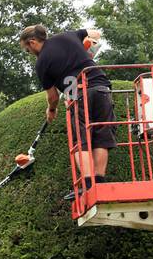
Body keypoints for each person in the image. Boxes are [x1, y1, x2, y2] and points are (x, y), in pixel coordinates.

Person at [20, 24, 113, 200]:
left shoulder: (42, 63)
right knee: (102, 136)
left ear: (32, 42)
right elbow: (96, 33)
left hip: (78, 94)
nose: (29, 53)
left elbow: (53, 97)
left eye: (27, 50)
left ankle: (88, 186)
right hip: (102, 87)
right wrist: (88, 43)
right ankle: (99, 184)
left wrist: (51, 110)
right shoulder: (68, 36)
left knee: (81, 141)